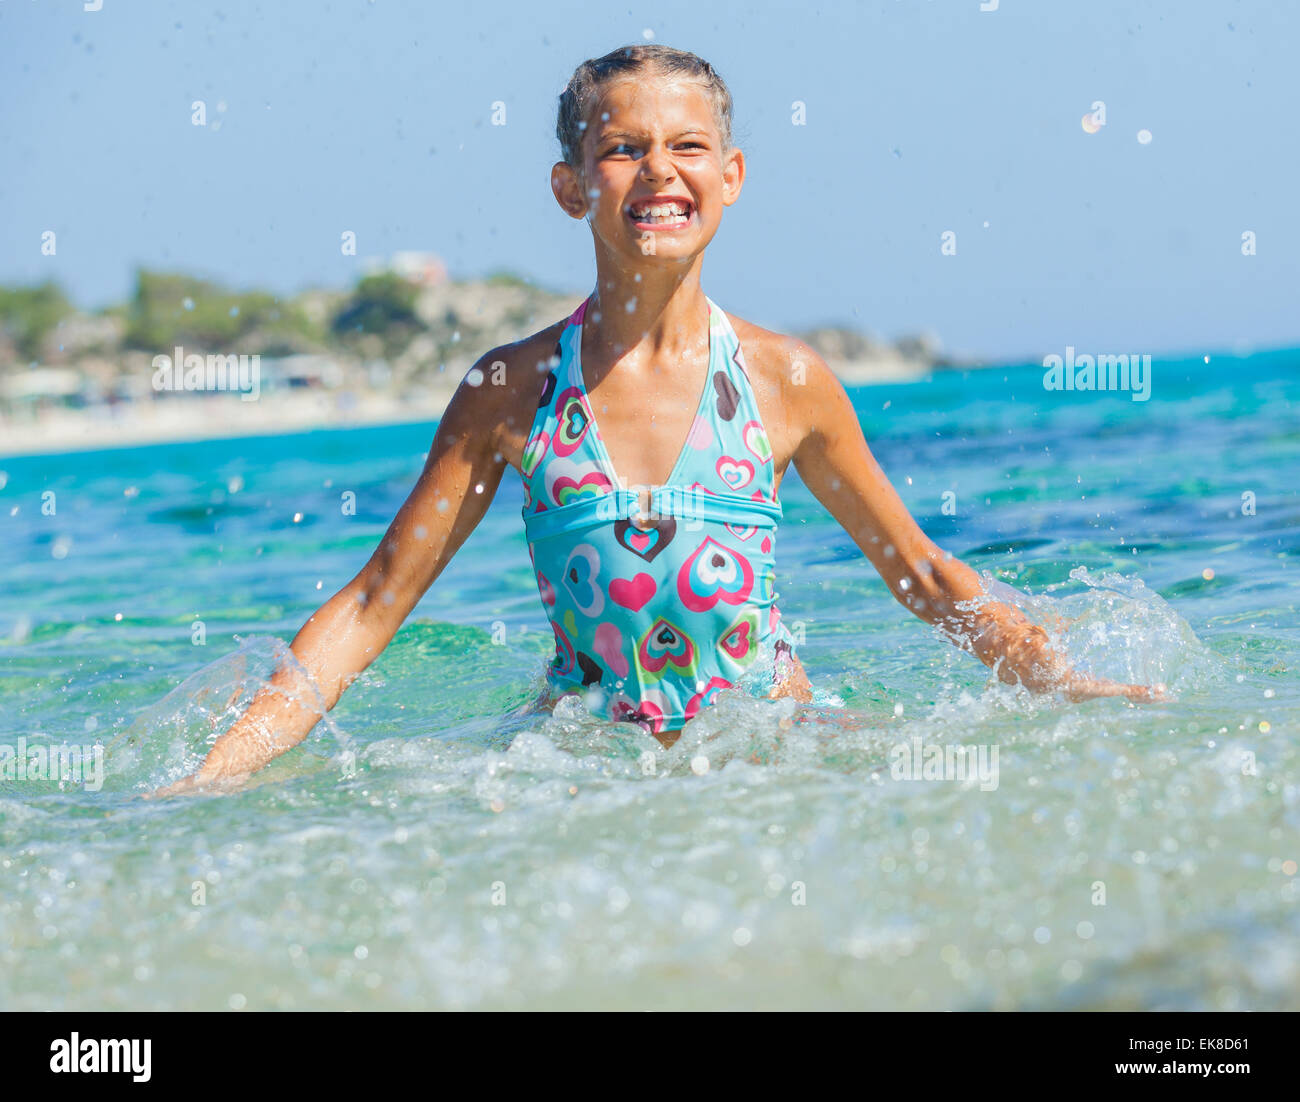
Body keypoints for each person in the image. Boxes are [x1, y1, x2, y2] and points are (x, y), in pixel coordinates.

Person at [151, 44, 1164, 797]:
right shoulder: (509, 390)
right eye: (622, 149)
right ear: (570, 186)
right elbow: (374, 602)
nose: (658, 171)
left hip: (771, 747)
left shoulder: (784, 380)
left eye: (688, 146)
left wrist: (1060, 686)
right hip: (585, 759)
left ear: (730, 177)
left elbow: (924, 575)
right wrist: (217, 769)